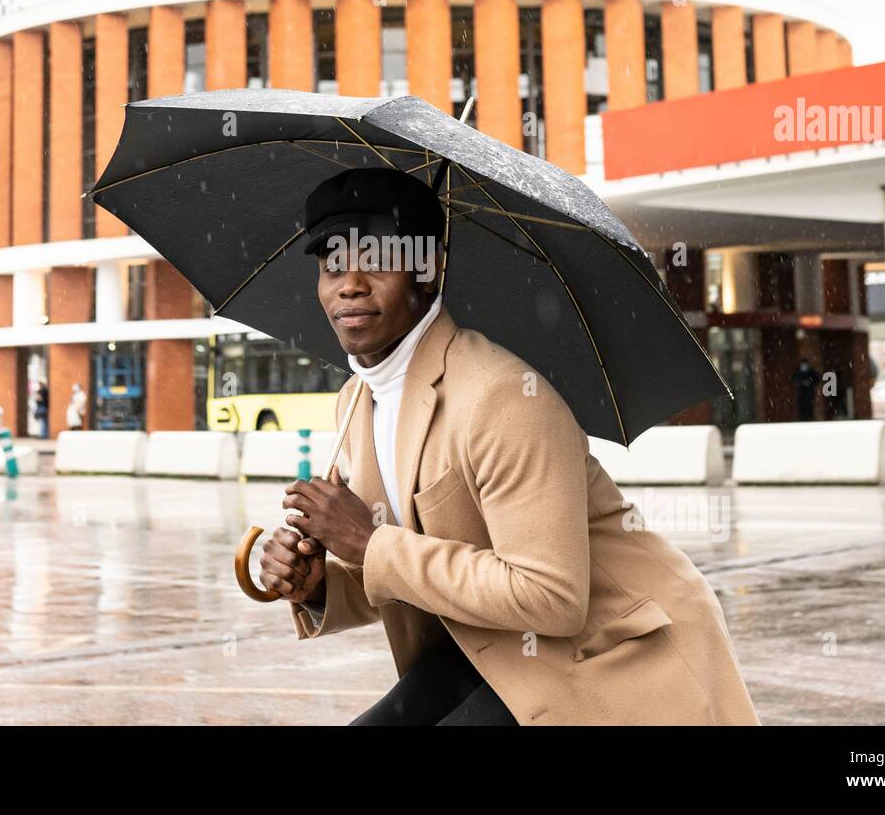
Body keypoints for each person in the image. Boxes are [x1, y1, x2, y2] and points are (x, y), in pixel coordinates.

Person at [259, 166, 760, 726]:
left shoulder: (502, 396)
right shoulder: (356, 400)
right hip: (489, 647)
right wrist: (321, 584)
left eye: (376, 260)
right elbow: (405, 563)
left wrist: (368, 542)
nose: (350, 283)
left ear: (429, 272)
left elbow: (550, 596)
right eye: (332, 265)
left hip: (606, 657)